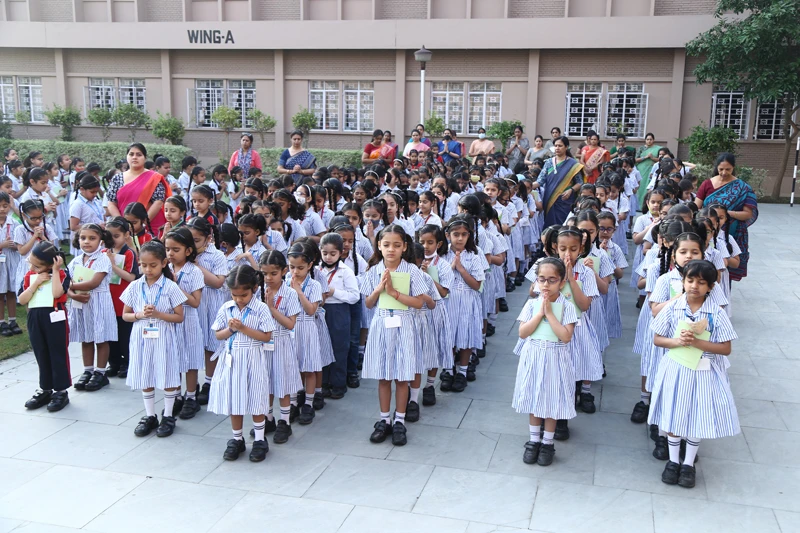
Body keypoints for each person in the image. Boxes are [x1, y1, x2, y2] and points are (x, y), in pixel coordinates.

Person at [648, 259, 738, 489]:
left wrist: (698, 343)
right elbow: (658, 338)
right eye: (690, 280)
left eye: (701, 282)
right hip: (675, 367)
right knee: (674, 412)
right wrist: (677, 341)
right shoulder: (672, 307)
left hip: (702, 371)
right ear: (682, 282)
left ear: (710, 287)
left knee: (696, 414)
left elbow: (725, 347)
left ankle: (688, 464)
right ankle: (672, 461)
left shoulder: (716, 314)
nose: (694, 286)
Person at [361, 224, 426, 446]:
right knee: (383, 376)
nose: (391, 250)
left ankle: (400, 420)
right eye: (386, 245)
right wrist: (379, 290)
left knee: (401, 376)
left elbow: (419, 302)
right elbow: (368, 304)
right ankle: (384, 419)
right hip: (381, 325)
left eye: (396, 245)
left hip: (404, 324)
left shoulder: (412, 271)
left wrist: (394, 293)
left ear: (404, 247)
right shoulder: (373, 271)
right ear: (379, 245)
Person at [514, 257, 578, 466]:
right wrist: (539, 313)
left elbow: (566, 336)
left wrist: (549, 314)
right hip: (534, 355)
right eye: (542, 280)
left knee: (551, 400)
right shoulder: (532, 304)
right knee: (534, 396)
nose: (546, 285)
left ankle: (548, 442)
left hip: (555, 357)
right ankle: (533, 440)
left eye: (552, 280)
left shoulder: (567, 307)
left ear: (561, 282)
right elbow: (523, 332)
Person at [121, 240, 187, 438]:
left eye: (153, 265)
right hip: (141, 336)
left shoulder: (170, 287)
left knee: (166, 373)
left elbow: (179, 316)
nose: (147, 269)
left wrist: (158, 314)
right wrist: (140, 315)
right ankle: (150, 415)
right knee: (145, 372)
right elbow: (125, 315)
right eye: (143, 265)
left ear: (164, 263)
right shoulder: (134, 286)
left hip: (163, 335)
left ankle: (167, 415)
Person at [211, 264, 275, 462]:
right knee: (235, 400)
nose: (239, 299)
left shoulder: (261, 308)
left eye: (243, 295)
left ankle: (259, 439)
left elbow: (266, 336)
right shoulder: (226, 308)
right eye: (235, 295)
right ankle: (236, 439)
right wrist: (230, 330)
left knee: (256, 399)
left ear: (254, 288)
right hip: (232, 359)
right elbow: (217, 334)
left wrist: (243, 328)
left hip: (253, 358)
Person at [18, 242, 70, 412]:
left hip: (55, 316)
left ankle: (61, 390)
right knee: (40, 351)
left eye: (37, 265)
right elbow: (22, 299)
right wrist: (35, 283)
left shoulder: (61, 274)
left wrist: (55, 271)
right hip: (35, 316)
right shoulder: (30, 276)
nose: (32, 267)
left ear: (51, 264)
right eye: (31, 263)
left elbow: (57, 293)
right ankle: (45, 387)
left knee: (57, 351)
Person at [258, 250, 303, 444]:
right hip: (262, 343)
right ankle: (268, 418)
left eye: (273, 273)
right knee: (265, 383)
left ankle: (285, 421)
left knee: (282, 385)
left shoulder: (290, 293)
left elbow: (291, 323)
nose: (268, 278)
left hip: (282, 342)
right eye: (264, 273)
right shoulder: (257, 290)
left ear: (284, 271)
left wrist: (271, 308)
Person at [67, 224, 118, 392]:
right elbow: (65, 283)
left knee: (101, 337)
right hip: (81, 303)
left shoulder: (102, 259)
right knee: (86, 336)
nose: (86, 242)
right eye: (83, 238)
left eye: (92, 238)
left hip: (98, 302)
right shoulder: (75, 260)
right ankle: (88, 369)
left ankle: (100, 372)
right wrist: (73, 294)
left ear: (101, 241)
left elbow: (94, 282)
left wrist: (72, 285)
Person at [694, 153, 757, 281]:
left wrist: (727, 214)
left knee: (726, 268)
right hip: (707, 231)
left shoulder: (743, 188)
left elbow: (748, 214)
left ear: (733, 168)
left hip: (732, 232)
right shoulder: (707, 184)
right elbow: (696, 207)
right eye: (721, 169)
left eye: (728, 169)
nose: (724, 172)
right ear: (716, 167)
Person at [165, 228, 205, 419]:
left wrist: (175, 287)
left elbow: (196, 302)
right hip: (170, 320)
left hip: (188, 319)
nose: (170, 254)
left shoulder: (194, 272)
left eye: (175, 249)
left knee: (190, 359)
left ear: (188, 251)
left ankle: (191, 397)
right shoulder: (165, 269)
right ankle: (176, 396)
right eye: (167, 249)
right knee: (175, 357)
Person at [106, 143, 171, 235]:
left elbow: (158, 202)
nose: (134, 157)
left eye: (139, 154)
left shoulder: (153, 178)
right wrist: (122, 224)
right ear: (127, 156)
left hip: (148, 228)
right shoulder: (117, 178)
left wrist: (141, 224)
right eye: (131, 154)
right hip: (122, 230)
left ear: (145, 157)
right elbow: (111, 203)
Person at [104, 217, 139, 379]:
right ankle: (114, 362)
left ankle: (127, 362)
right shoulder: (104, 252)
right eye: (109, 236)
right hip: (107, 299)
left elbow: (132, 277)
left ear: (126, 235)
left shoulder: (129, 253)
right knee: (111, 334)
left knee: (125, 334)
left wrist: (113, 266)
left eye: (116, 236)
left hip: (123, 300)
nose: (112, 240)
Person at [530, 136, 585, 228]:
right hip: (550, 199)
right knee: (550, 227)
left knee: (563, 226)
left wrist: (571, 190)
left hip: (565, 201)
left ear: (566, 147)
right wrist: (525, 187)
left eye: (560, 146)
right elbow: (540, 181)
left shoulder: (573, 164)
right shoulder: (549, 162)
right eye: (555, 146)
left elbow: (580, 183)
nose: (557, 148)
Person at [0, 192, 21, 337]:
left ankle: (12, 320)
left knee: (11, 291)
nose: (2, 209)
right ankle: (1, 321)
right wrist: (3, 244)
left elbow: (20, 242)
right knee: (0, 293)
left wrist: (14, 245)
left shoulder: (14, 223)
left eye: (5, 205)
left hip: (12, 260)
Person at [635, 133, 661, 205]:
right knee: (641, 187)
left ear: (653, 140)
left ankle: (647, 205)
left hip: (652, 170)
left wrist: (653, 158)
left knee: (649, 188)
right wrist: (646, 157)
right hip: (641, 170)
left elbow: (661, 159)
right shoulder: (641, 149)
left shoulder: (658, 149)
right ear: (645, 140)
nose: (649, 141)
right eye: (647, 139)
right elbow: (635, 160)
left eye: (651, 139)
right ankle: (639, 205)